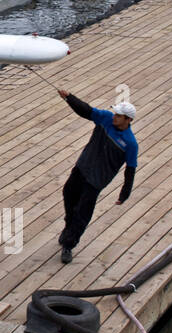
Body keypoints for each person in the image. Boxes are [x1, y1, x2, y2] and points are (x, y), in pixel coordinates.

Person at [54, 89, 138, 263]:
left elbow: (130, 170)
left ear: (128, 120)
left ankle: (69, 245)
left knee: (83, 212)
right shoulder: (106, 119)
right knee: (68, 195)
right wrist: (69, 98)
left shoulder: (130, 143)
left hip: (97, 180)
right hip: (82, 168)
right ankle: (69, 227)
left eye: (119, 116)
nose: (115, 117)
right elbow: (86, 110)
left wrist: (125, 193)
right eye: (115, 113)